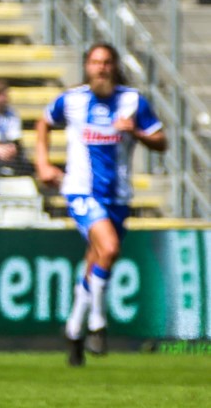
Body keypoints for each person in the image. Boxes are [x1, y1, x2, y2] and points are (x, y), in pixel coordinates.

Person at [36, 44, 167, 366]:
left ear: (115, 66)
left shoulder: (132, 101)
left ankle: (73, 330)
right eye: (95, 62)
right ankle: (97, 322)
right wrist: (42, 163)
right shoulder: (73, 100)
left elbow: (161, 141)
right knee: (108, 249)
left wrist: (135, 131)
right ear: (86, 67)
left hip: (119, 197)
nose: (101, 68)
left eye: (107, 62)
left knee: (95, 260)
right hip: (81, 191)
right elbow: (43, 122)